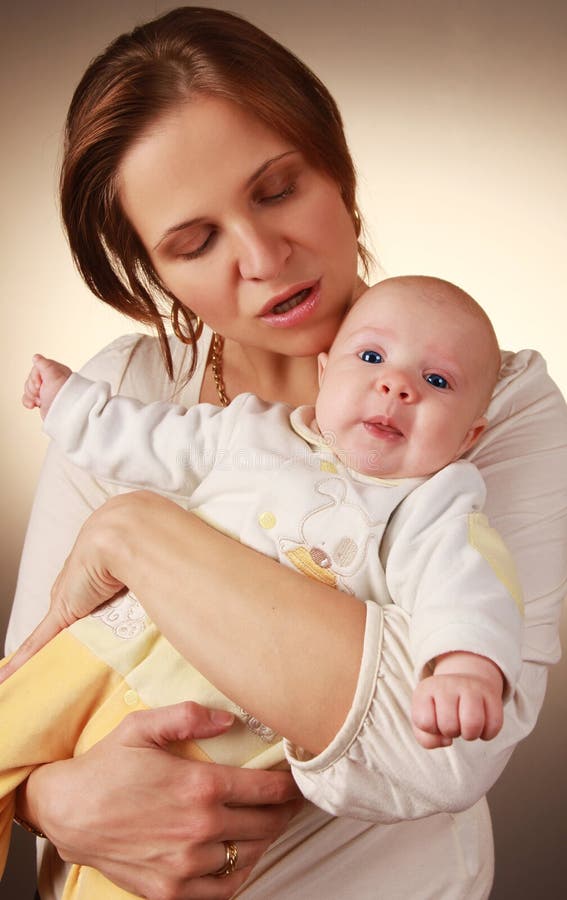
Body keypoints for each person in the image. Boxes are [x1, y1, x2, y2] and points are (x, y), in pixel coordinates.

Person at [4, 7, 567, 900]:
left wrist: (133, 531)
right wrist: (54, 801)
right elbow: (31, 684)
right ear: (151, 270)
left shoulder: (491, 402)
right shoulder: (132, 395)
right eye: (194, 243)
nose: (264, 257)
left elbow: (433, 757)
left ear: (336, 168)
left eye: (276, 189)